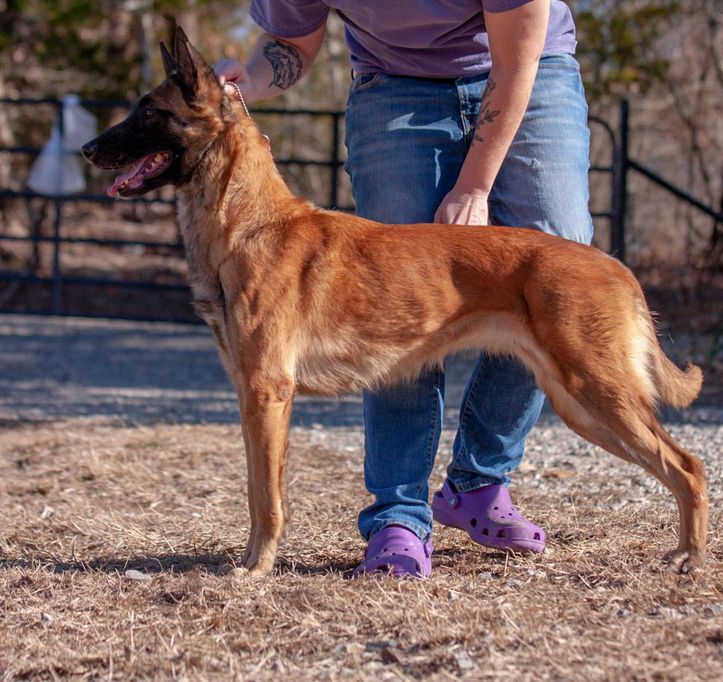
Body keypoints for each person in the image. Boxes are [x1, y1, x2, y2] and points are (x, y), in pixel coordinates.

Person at [215, 0, 594, 577]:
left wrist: (476, 184)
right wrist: (246, 83)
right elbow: (290, 42)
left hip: (529, 71)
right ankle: (399, 516)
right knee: (385, 299)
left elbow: (515, 56)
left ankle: (478, 479)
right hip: (395, 89)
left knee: (556, 271)